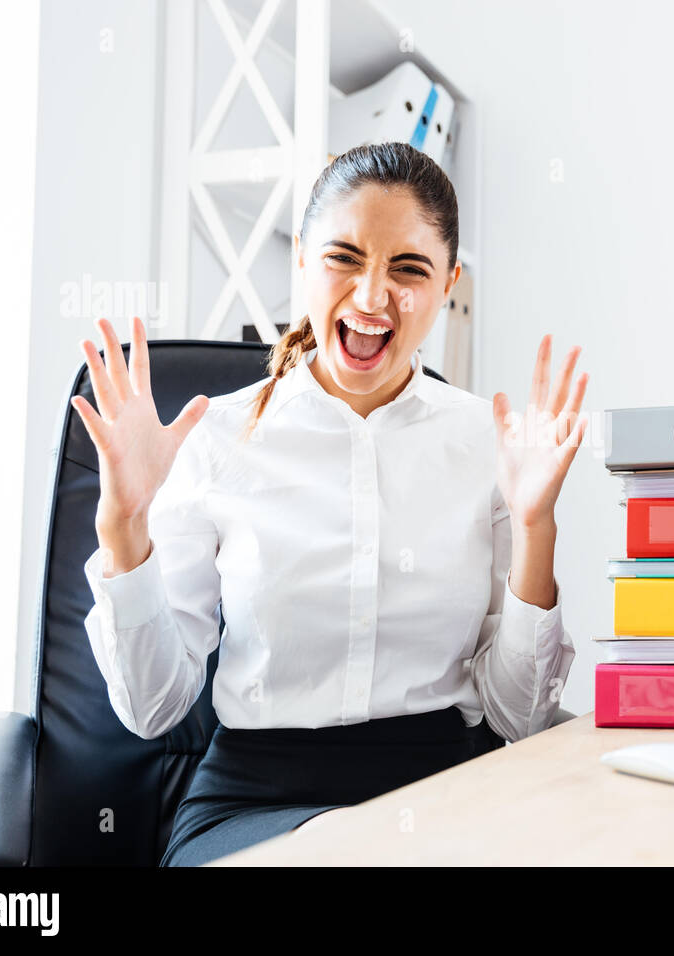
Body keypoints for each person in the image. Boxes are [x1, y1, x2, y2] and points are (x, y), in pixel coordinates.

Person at [72, 142, 587, 866]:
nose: (373, 297)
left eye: (408, 269)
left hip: (444, 791)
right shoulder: (215, 438)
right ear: (305, 261)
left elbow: (518, 715)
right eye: (344, 258)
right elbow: (154, 707)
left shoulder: (487, 443)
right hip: (255, 801)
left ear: (448, 285)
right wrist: (123, 526)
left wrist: (537, 528)